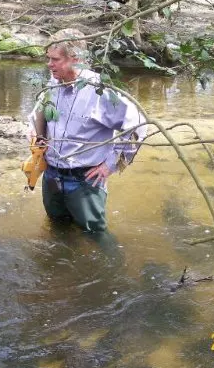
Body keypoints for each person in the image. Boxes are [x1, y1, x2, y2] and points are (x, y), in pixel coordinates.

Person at [29, 29, 147, 233]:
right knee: (56, 230)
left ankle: (115, 265)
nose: (49, 64)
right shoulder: (52, 85)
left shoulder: (99, 91)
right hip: (51, 176)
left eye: (55, 59)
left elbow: (138, 125)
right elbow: (37, 114)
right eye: (48, 58)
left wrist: (111, 165)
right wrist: (36, 136)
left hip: (85, 181)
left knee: (96, 237)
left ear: (76, 59)